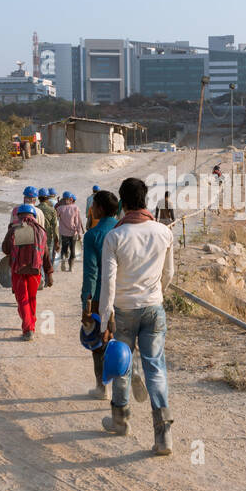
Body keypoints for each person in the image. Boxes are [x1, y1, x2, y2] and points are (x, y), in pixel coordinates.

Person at [98, 177, 176, 455]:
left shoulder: (114, 236)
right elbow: (169, 274)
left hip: (124, 310)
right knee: (155, 367)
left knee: (121, 363)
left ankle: (121, 420)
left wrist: (105, 315)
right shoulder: (164, 232)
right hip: (154, 309)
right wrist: (157, 294)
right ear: (145, 200)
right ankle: (163, 435)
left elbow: (108, 282)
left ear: (123, 202)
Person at [80, 190, 118, 399]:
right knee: (120, 339)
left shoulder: (92, 235)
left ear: (100, 209)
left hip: (98, 296)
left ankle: (102, 387)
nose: (90, 209)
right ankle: (126, 378)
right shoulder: (123, 230)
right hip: (123, 294)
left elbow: (91, 272)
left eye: (93, 205)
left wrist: (86, 301)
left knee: (97, 342)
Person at [1, 203, 53, 341]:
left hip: (18, 271)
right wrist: (49, 273)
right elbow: (46, 254)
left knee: (22, 299)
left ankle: (28, 329)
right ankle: (31, 323)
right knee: (31, 299)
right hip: (35, 272)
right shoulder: (41, 231)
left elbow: (5, 249)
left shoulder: (14, 230)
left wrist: (9, 231)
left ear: (18, 216)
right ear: (33, 216)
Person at [56, 191, 84, 271]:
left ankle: (63, 262)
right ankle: (71, 267)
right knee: (72, 249)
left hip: (63, 233)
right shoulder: (75, 208)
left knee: (64, 249)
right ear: (71, 199)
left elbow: (56, 218)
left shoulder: (59, 208)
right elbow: (78, 222)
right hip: (73, 233)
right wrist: (79, 233)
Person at [37, 189, 60, 276]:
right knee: (48, 258)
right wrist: (57, 242)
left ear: (38, 198)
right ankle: (47, 277)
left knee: (38, 257)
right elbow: (55, 227)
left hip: (37, 238)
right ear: (47, 198)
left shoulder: (35, 209)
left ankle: (40, 277)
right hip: (48, 238)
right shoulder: (52, 210)